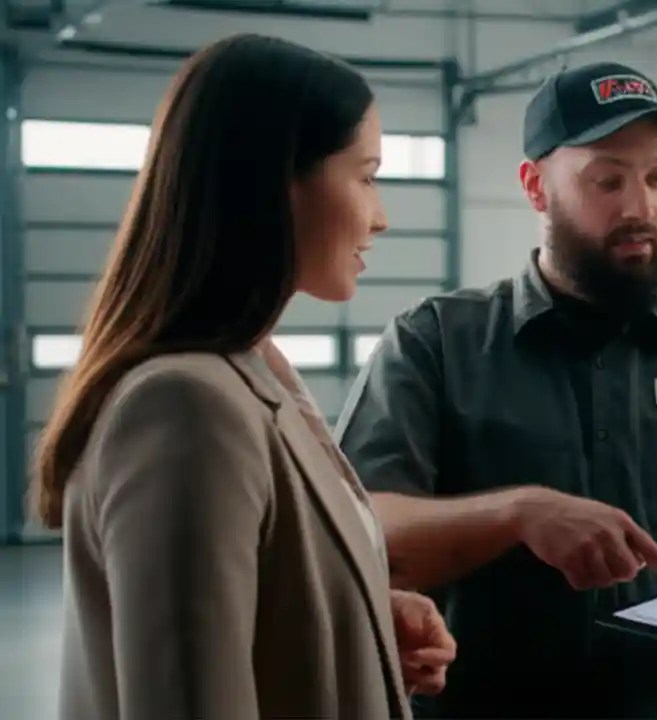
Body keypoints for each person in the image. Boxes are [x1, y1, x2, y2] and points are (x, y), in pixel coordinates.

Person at [335, 61, 657, 718]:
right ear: (536, 187)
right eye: (607, 180)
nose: (640, 207)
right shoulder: (435, 345)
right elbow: (362, 527)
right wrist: (520, 514)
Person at [30, 33, 456, 720]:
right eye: (366, 174)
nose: (380, 217)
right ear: (276, 180)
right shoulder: (186, 407)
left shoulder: (255, 375)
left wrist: (361, 624)